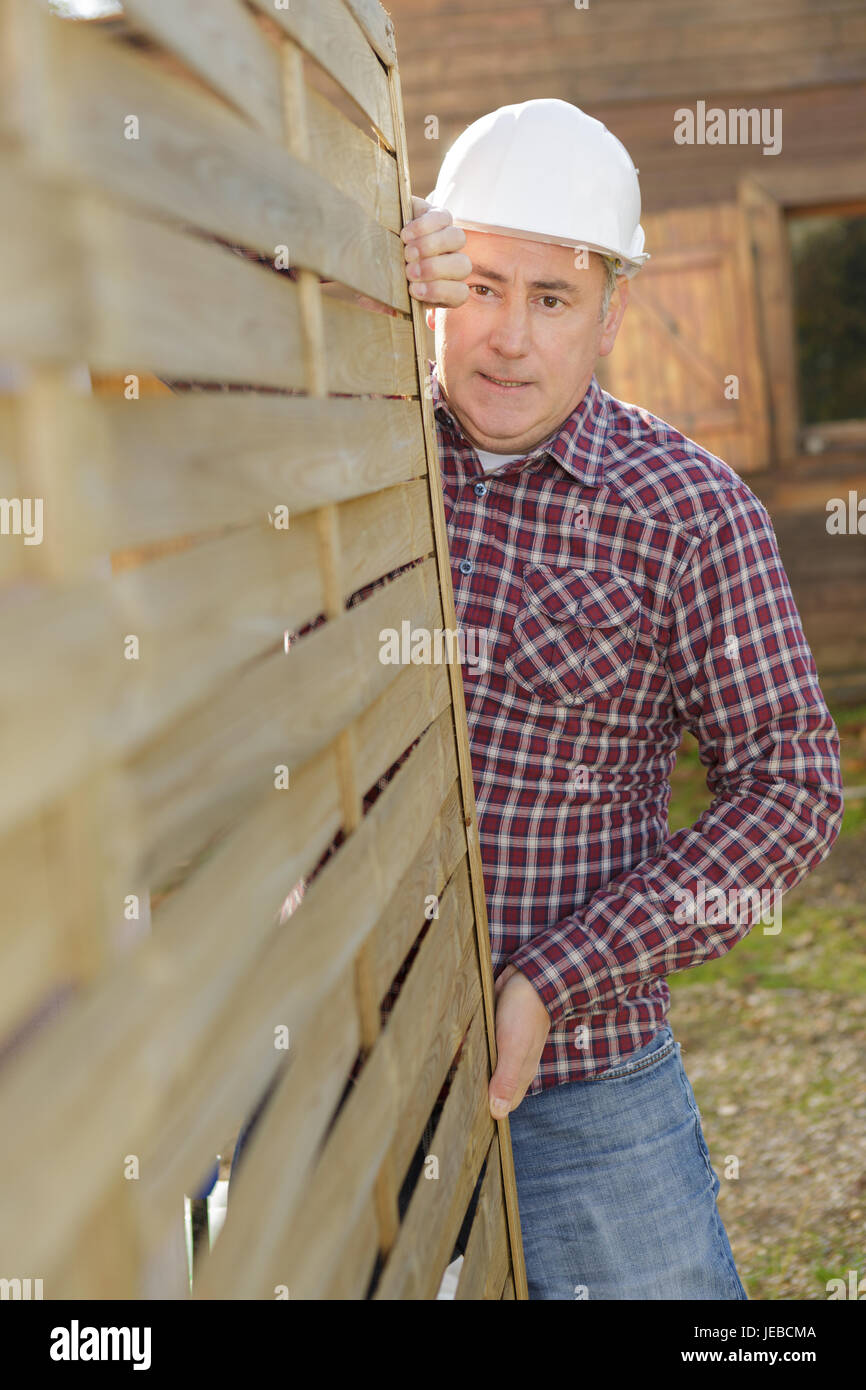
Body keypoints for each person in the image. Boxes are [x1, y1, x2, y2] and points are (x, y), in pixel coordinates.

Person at [391, 99, 844, 1299]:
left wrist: (555, 977)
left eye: (552, 299)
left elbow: (792, 791)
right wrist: (348, 280)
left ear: (611, 313)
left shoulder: (687, 511)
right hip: (354, 1073)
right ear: (434, 283)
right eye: (480, 286)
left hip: (584, 1084)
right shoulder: (355, 449)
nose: (507, 339)